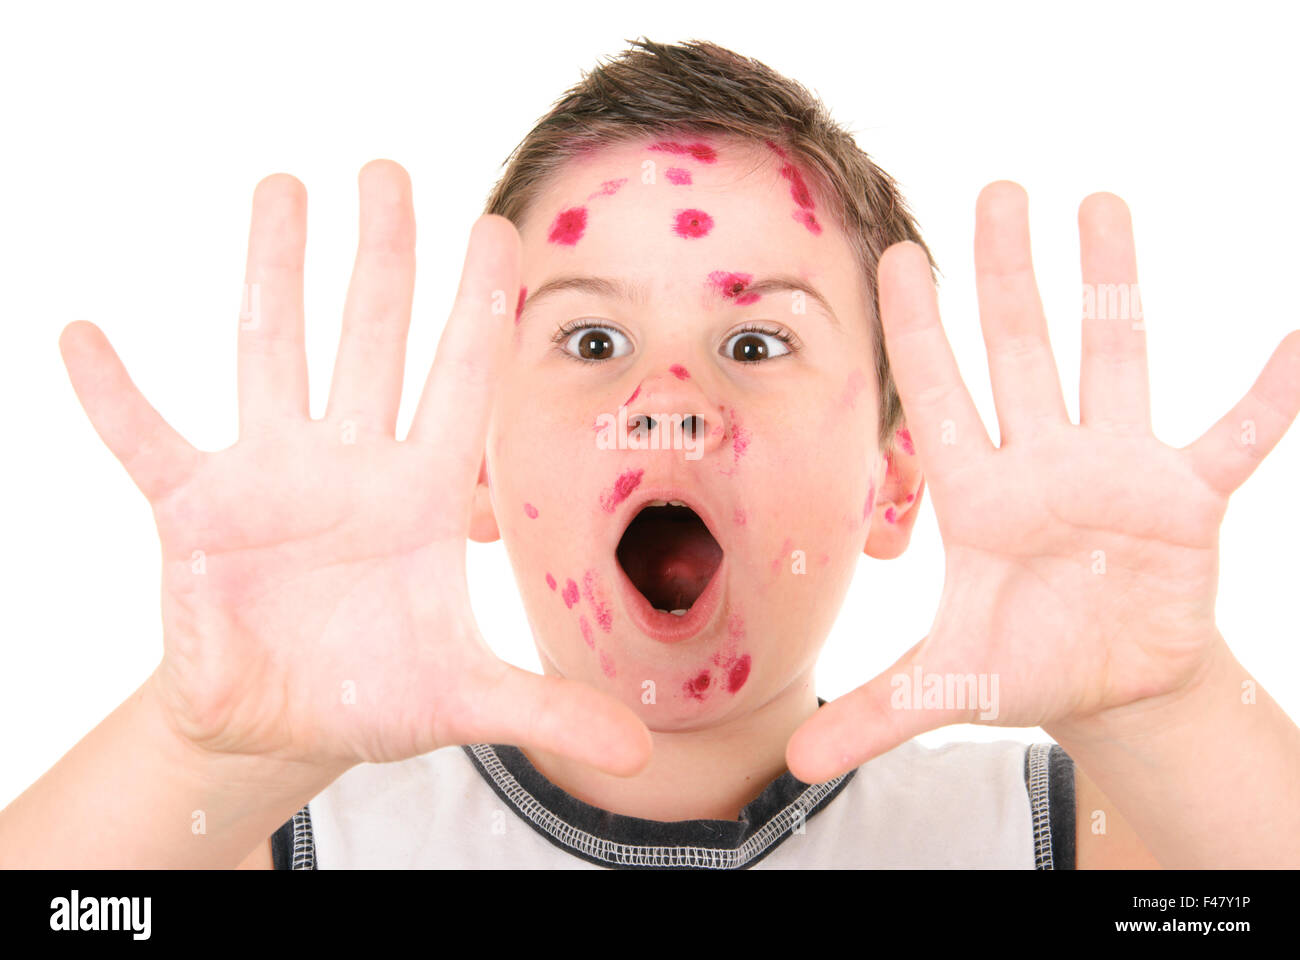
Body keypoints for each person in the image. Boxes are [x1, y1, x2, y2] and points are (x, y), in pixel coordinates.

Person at [3, 39, 1297, 869]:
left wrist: (1170, 708)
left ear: (900, 477)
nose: (669, 402)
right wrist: (199, 755)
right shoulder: (285, 841)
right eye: (590, 339)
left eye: (754, 344)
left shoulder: (1063, 841)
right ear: (472, 463)